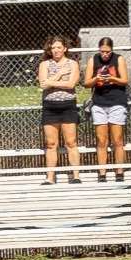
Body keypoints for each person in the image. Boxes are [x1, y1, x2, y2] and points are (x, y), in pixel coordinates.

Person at [37, 35, 82, 185]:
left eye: (58, 47)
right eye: (53, 48)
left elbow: (71, 85)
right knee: (51, 143)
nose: (56, 50)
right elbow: (43, 85)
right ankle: (50, 177)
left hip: (67, 104)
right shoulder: (45, 64)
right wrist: (60, 74)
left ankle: (76, 176)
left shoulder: (72, 63)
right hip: (50, 106)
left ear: (65, 49)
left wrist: (51, 82)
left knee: (71, 141)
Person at [85, 37, 130, 182]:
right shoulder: (94, 60)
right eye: (102, 52)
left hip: (116, 102)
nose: (105, 55)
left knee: (117, 139)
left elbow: (125, 81)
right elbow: (86, 83)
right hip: (99, 103)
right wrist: (97, 78)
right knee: (101, 140)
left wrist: (112, 78)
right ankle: (102, 172)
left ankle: (120, 171)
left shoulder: (118, 59)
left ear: (112, 50)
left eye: (107, 52)